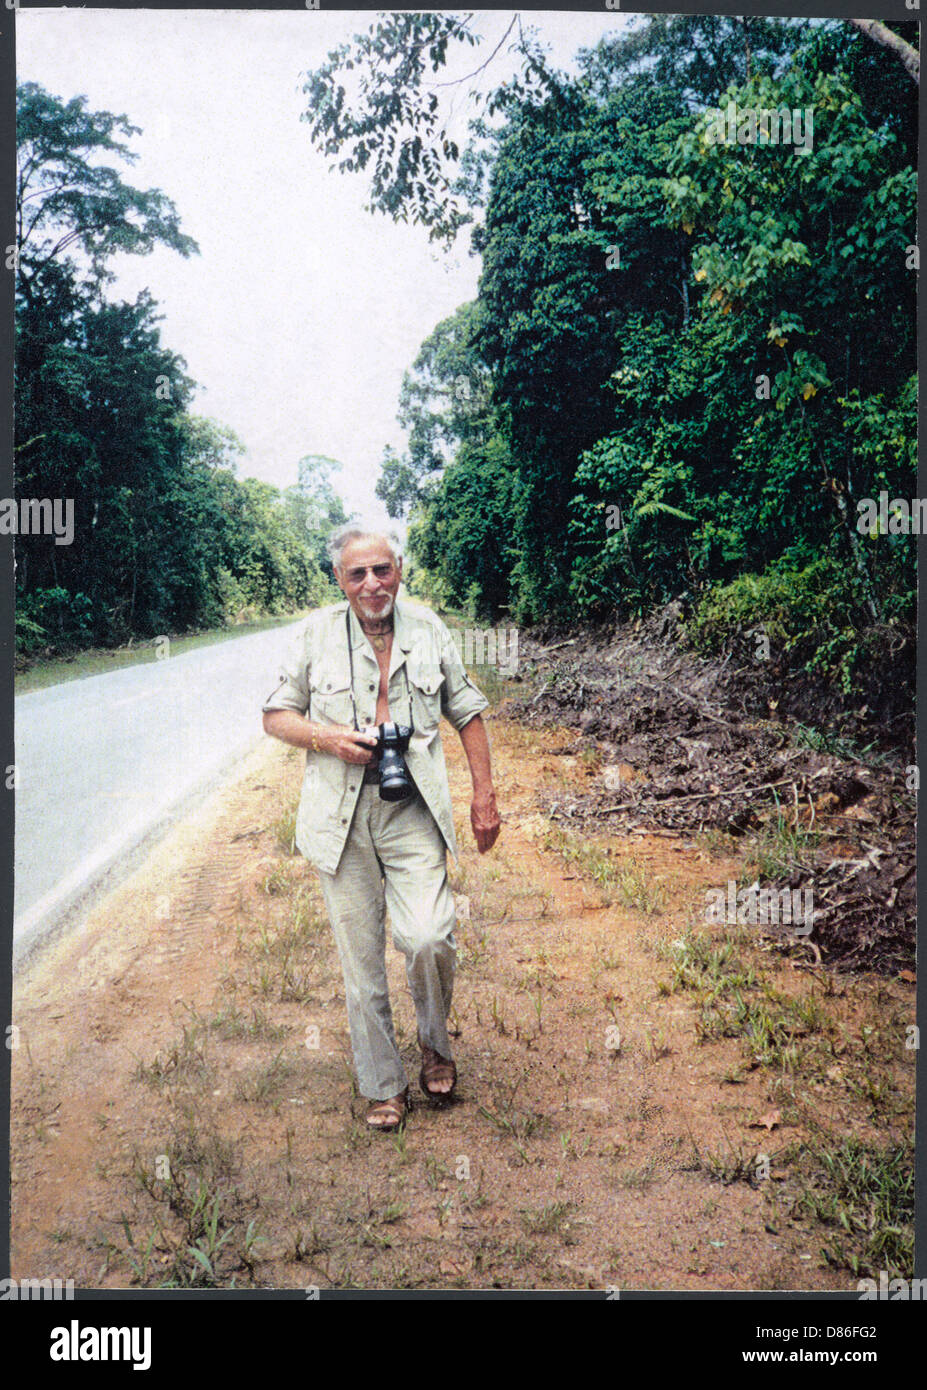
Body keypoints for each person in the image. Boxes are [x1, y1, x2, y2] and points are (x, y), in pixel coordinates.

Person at [261, 526, 501, 1131]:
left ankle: (434, 1042)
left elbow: (467, 711)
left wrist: (484, 797)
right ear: (340, 581)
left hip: (413, 808)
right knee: (361, 960)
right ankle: (383, 1084)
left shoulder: (429, 629)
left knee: (427, 936)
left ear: (400, 569)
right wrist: (328, 738)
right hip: (339, 817)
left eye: (382, 570)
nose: (372, 585)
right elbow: (275, 715)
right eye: (357, 574)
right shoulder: (314, 634)